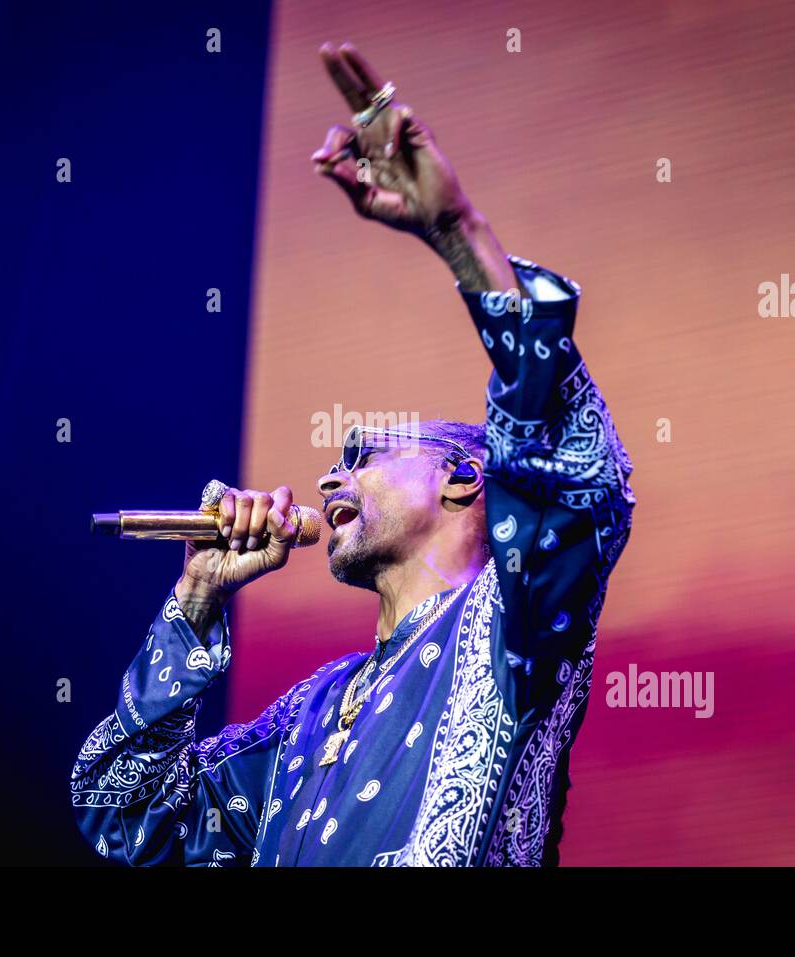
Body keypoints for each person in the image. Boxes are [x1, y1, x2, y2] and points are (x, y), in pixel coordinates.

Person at [70, 42, 635, 866]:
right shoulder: (303, 718)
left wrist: (455, 231)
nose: (332, 476)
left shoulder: (512, 630)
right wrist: (196, 595)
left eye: (365, 452)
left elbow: (570, 469)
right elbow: (123, 812)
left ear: (465, 476)